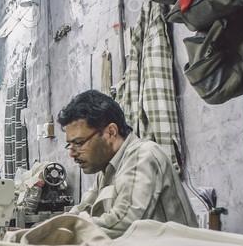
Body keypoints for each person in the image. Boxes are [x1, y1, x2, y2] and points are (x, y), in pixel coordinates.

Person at [57, 90, 198, 237]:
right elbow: (83, 209)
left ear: (111, 132)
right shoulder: (107, 169)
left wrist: (65, 232)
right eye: (70, 145)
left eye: (79, 143)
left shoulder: (144, 155)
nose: (72, 153)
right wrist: (58, 226)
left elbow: (124, 223)